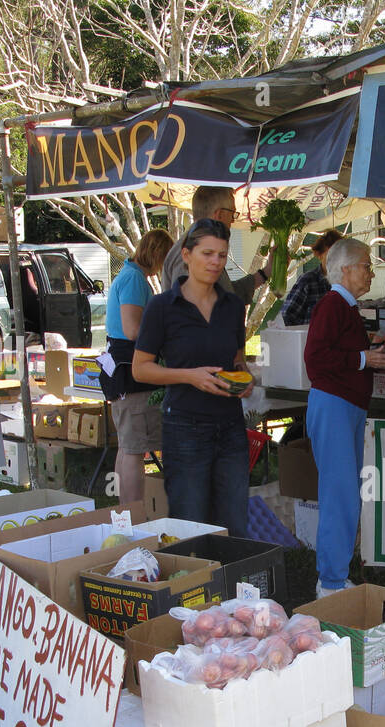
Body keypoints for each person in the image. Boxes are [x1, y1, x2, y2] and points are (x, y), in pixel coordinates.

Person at [132, 219, 253, 536]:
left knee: (234, 522)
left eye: (222, 255)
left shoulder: (232, 306)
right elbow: (140, 368)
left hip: (230, 428)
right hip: (185, 427)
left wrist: (245, 380)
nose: (215, 262)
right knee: (190, 523)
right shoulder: (162, 307)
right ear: (186, 255)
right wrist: (189, 376)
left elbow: (237, 359)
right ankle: (196, 582)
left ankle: (233, 583)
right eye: (208, 253)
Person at [303, 238, 385, 598]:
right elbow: (316, 360)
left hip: (345, 406)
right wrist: (364, 359)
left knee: (344, 492)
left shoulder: (344, 308)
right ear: (344, 269)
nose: (370, 272)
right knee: (340, 493)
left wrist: (366, 347)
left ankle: (334, 575)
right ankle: (329, 582)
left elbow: (335, 351)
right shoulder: (332, 306)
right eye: (365, 265)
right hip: (335, 404)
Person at [102, 228, 172, 506]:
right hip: (131, 372)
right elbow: (132, 330)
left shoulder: (131, 276)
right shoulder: (133, 279)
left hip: (121, 371)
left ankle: (125, 511)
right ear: (156, 255)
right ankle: (132, 512)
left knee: (127, 447)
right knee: (133, 450)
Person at [159, 186, 273, 301]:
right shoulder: (190, 253)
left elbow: (226, 293)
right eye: (232, 213)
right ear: (219, 214)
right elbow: (190, 309)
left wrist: (265, 272)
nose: (232, 221)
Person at [282, 229, 343, 326]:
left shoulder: (346, 281)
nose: (335, 258)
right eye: (331, 254)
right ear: (319, 255)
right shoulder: (308, 281)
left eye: (340, 254)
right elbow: (287, 316)